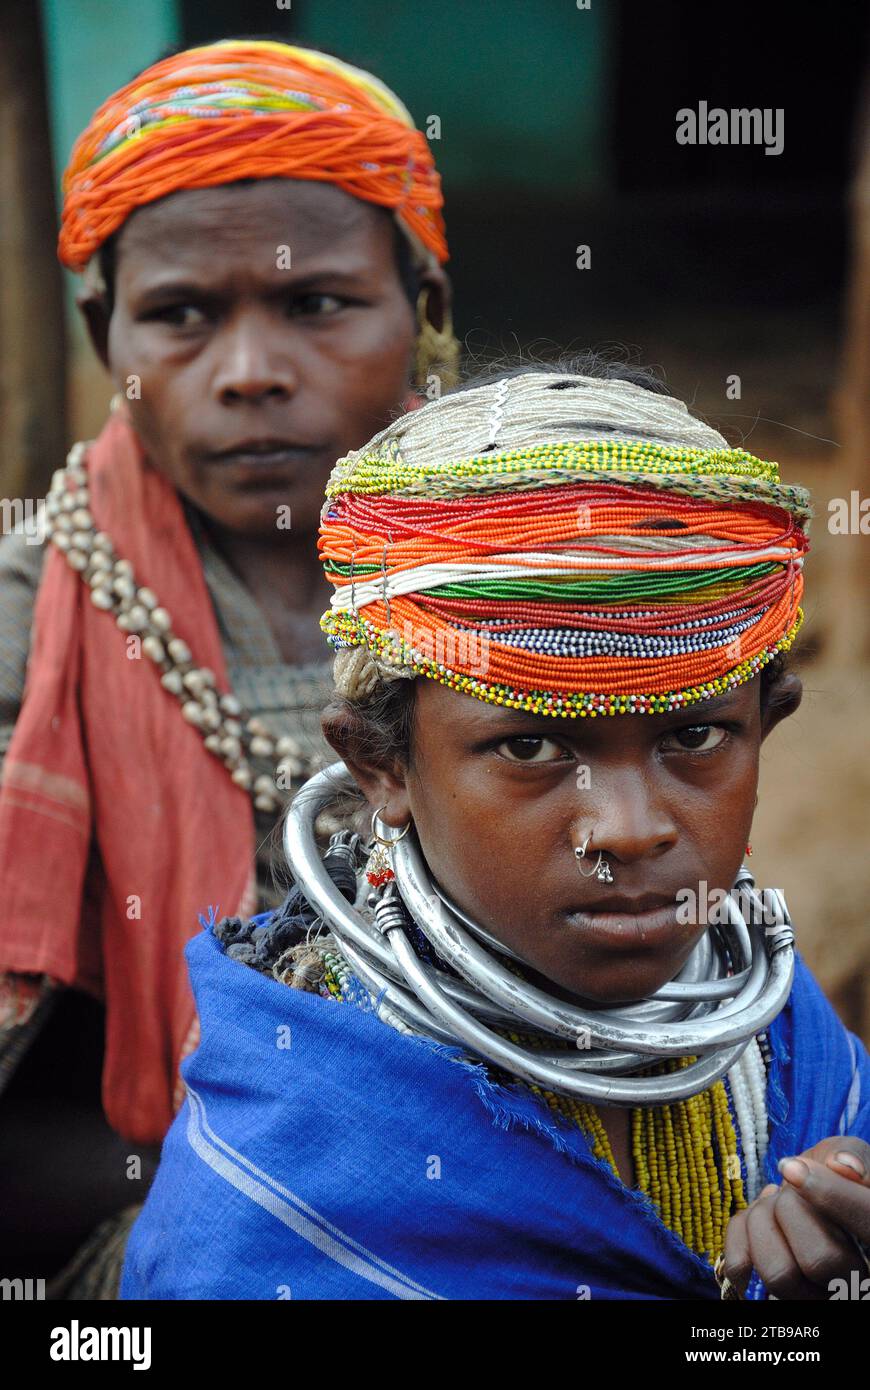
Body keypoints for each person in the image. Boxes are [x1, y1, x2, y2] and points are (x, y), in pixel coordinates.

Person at [120, 359, 870, 1300]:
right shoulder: (278, 1204)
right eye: (528, 749)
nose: (628, 830)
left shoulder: (793, 1051)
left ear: (768, 725)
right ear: (382, 765)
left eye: (695, 735)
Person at [0, 38, 457, 1288]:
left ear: (421, 313)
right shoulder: (36, 609)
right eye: (183, 316)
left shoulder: (514, 566)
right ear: (107, 332)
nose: (250, 371)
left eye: (315, 303)